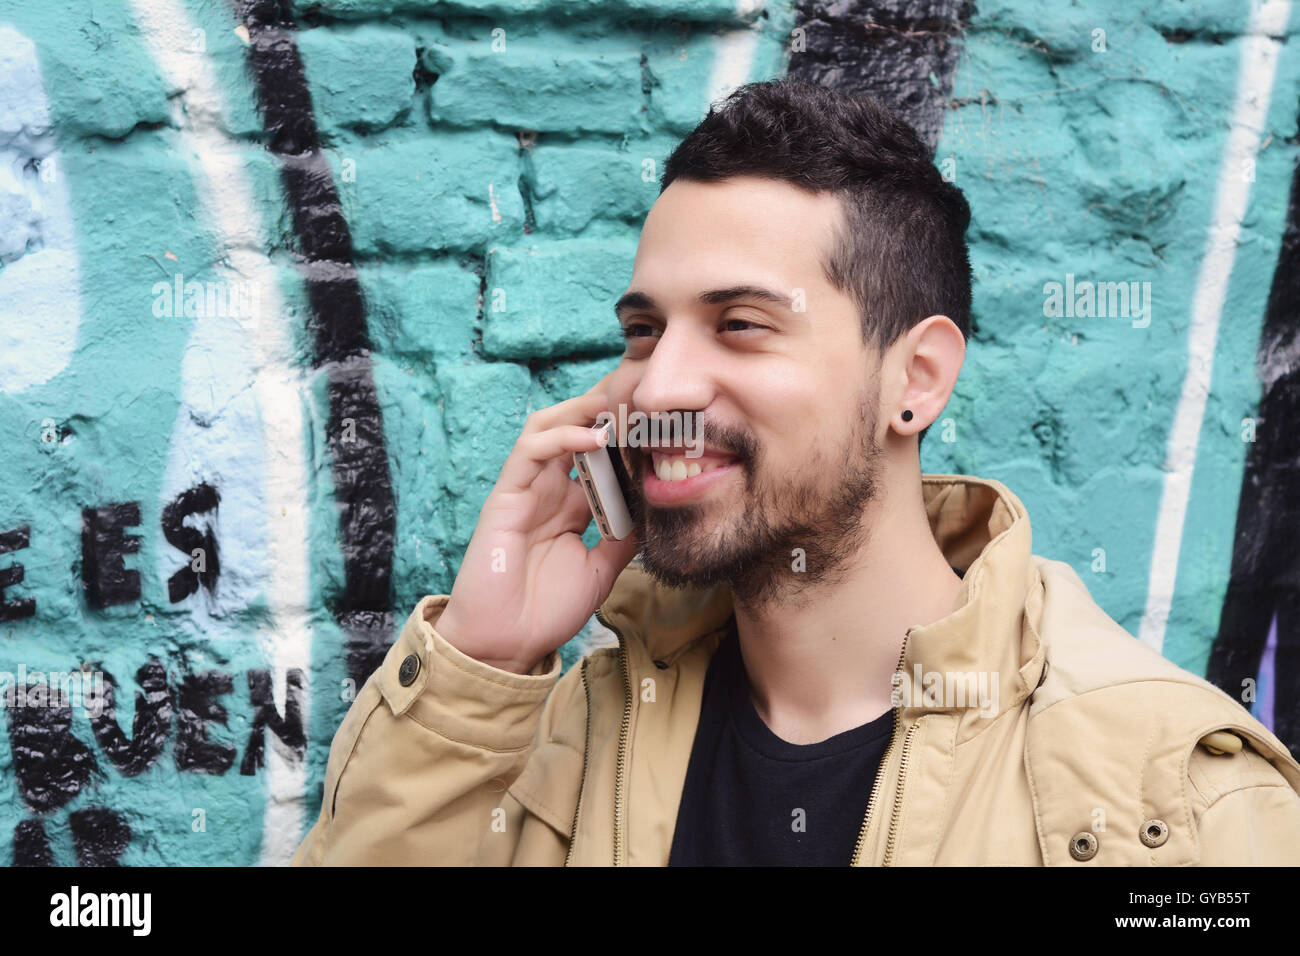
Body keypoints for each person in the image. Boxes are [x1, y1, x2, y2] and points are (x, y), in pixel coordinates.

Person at [292, 77, 1300, 866]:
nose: (654, 390)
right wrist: (482, 661)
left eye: (739, 324)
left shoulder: (1165, 787)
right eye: (644, 332)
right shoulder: (548, 741)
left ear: (914, 377)